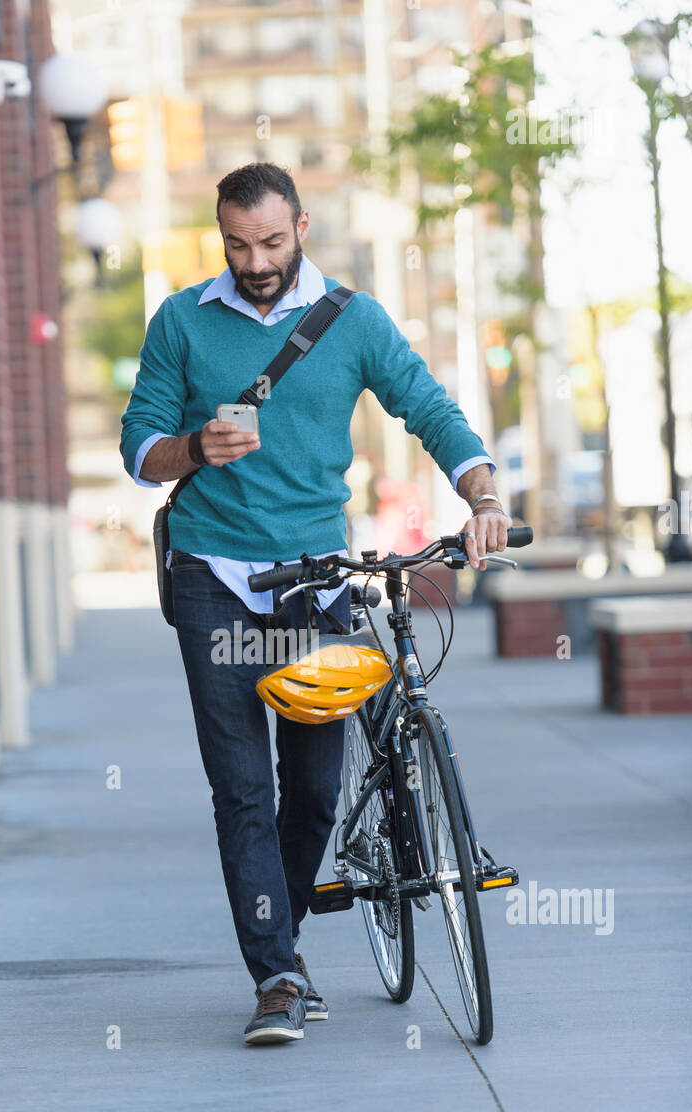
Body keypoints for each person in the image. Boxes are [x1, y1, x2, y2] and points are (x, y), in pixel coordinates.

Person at [120, 162, 510, 1046]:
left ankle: (280, 938)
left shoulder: (355, 319)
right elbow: (138, 444)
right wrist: (192, 448)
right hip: (214, 581)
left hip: (316, 584)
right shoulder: (182, 320)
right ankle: (278, 976)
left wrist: (483, 496)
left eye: (269, 240)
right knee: (242, 791)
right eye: (235, 243)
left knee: (313, 789)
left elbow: (430, 409)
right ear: (218, 235)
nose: (254, 260)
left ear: (302, 225)